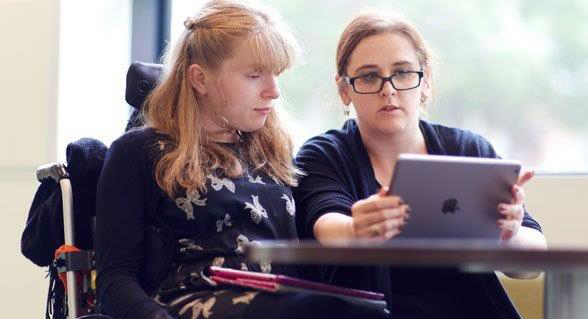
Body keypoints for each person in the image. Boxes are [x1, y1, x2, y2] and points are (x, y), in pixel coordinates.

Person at [95, 1, 385, 318]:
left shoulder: (273, 156)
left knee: (368, 310)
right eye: (255, 75)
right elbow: (114, 280)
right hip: (192, 302)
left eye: (275, 75)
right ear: (199, 79)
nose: (273, 91)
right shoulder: (139, 152)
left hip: (283, 302)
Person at [294, 10, 548, 319]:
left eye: (402, 72)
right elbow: (326, 225)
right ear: (345, 89)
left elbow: (532, 264)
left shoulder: (467, 150)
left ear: (424, 81)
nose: (388, 89)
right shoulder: (323, 155)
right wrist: (356, 230)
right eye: (370, 76)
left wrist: (506, 235)